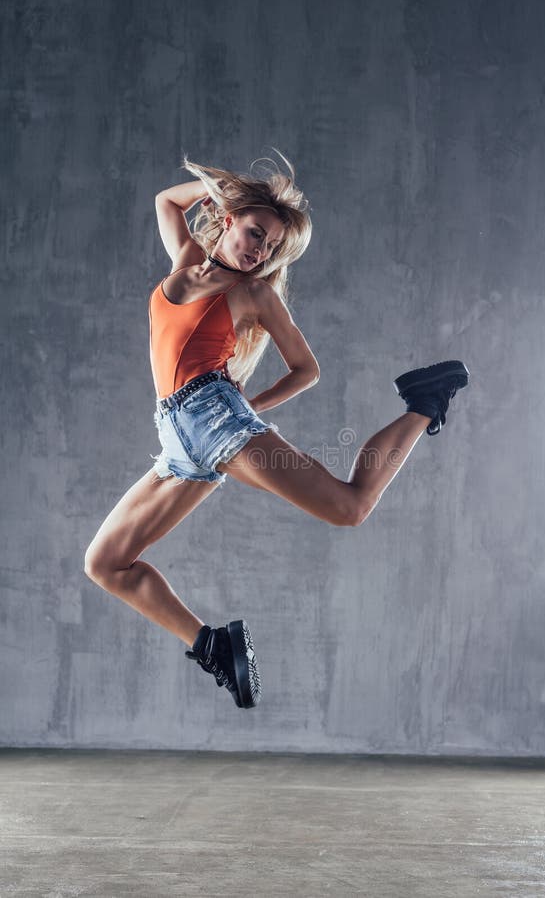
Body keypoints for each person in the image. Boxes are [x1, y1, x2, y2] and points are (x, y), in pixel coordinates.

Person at [84, 152, 469, 711]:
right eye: (255, 233)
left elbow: (306, 369)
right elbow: (166, 201)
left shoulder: (255, 294)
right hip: (176, 436)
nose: (259, 251)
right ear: (227, 220)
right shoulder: (185, 261)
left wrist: (249, 406)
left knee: (350, 507)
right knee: (105, 563)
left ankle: (423, 403)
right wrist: (220, 194)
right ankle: (213, 645)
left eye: (268, 246)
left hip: (217, 422)